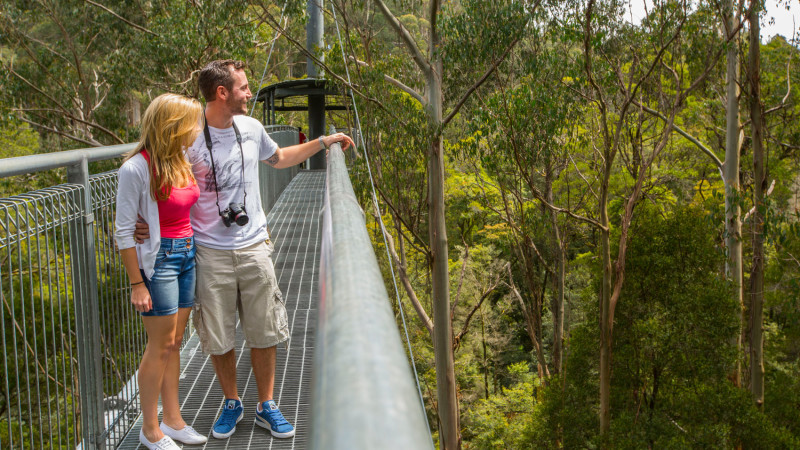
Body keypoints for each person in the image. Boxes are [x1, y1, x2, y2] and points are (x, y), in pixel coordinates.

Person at [135, 59, 354, 440]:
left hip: (254, 244)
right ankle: (232, 401)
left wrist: (323, 142)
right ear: (222, 93)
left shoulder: (252, 128)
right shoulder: (188, 135)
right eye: (244, 87)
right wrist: (145, 221)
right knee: (219, 335)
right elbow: (163, 178)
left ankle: (266, 405)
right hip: (207, 250)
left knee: (264, 328)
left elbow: (280, 158)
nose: (250, 93)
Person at [115, 93, 208, 450]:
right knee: (160, 345)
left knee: (175, 341)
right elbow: (124, 231)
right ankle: (150, 429)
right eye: (192, 123)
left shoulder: (182, 159)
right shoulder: (135, 168)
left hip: (187, 254)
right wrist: (137, 283)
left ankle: (173, 420)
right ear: (173, 126)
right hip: (159, 262)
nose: (196, 129)